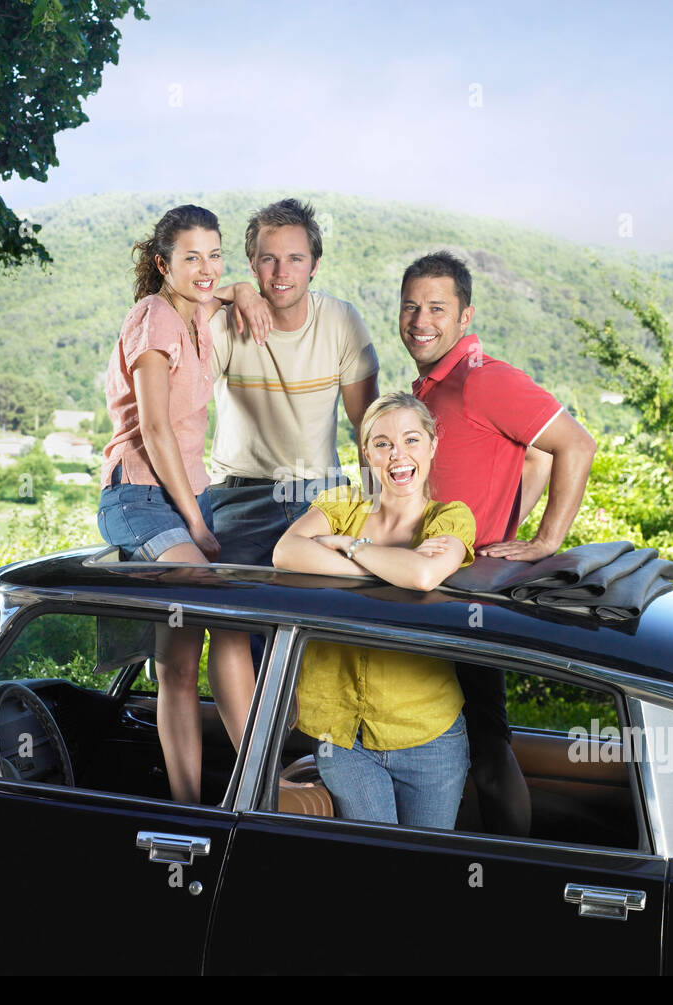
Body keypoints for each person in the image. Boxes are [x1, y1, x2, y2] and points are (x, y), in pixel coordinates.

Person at [401, 251, 596, 837]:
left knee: (486, 752)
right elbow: (530, 454)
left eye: (437, 308)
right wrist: (506, 522)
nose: (420, 320)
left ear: (465, 316)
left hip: (466, 600)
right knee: (448, 749)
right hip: (430, 586)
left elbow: (575, 445)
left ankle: (516, 870)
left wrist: (543, 540)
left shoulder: (485, 378)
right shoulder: (434, 389)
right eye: (410, 306)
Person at [96, 204, 271, 805]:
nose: (205, 268)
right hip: (142, 496)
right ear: (160, 263)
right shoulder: (152, 318)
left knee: (177, 664)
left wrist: (241, 289)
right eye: (190, 257)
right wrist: (196, 522)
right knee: (216, 610)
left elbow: (218, 292)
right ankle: (256, 792)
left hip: (186, 494)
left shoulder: (194, 308)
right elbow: (155, 429)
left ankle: (191, 807)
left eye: (214, 255)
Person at [272, 392, 476, 829]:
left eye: (411, 440)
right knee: (372, 868)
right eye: (382, 444)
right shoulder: (344, 503)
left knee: (423, 872)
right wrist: (389, 571)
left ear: (432, 444)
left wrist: (353, 548)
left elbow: (422, 577)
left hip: (428, 733)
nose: (397, 455)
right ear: (366, 452)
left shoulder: (451, 518)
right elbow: (285, 552)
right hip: (341, 735)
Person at [209, 198, 380, 565]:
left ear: (314, 266)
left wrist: (378, 510)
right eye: (269, 259)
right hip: (241, 498)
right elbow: (174, 314)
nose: (281, 272)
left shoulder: (341, 320)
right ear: (253, 265)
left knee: (333, 611)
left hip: (321, 497)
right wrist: (232, 291)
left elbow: (368, 425)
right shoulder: (226, 323)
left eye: (296, 259)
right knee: (226, 609)